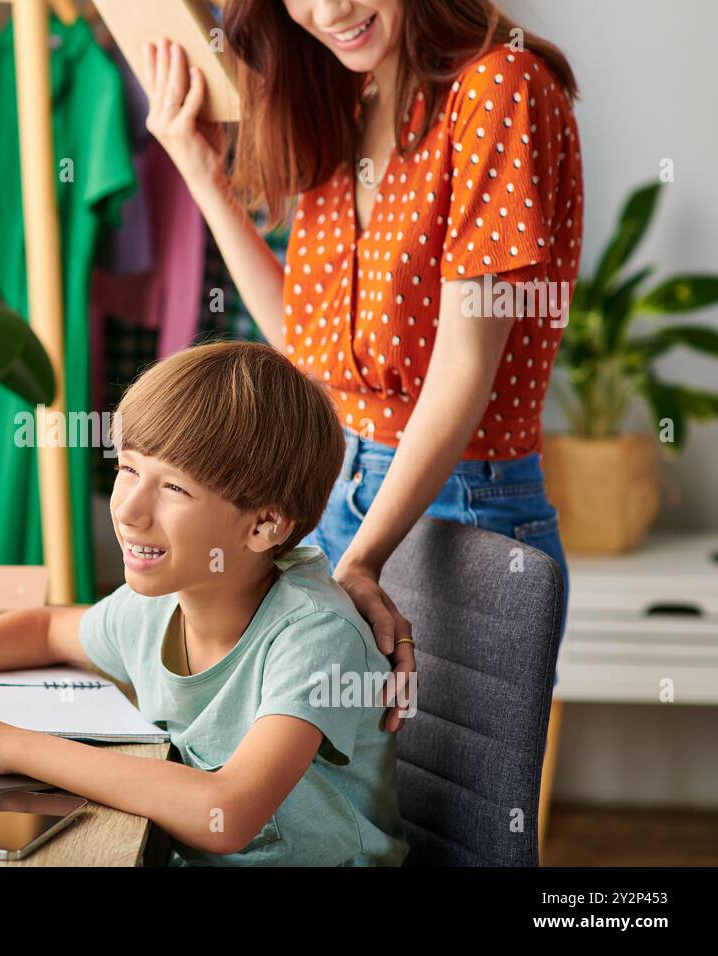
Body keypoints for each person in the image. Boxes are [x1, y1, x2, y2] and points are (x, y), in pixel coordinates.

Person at [142, 0, 583, 726]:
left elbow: (464, 370)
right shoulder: (350, 94)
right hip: (328, 490)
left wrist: (365, 557)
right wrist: (198, 168)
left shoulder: (501, 85)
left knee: (444, 824)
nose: (329, 10)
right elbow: (307, 341)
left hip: (455, 507)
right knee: (339, 814)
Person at [0, 342, 408, 866]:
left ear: (264, 526)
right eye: (128, 468)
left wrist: (8, 744)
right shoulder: (160, 603)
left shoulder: (314, 635)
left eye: (174, 487)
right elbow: (48, 630)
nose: (128, 509)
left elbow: (228, 813)